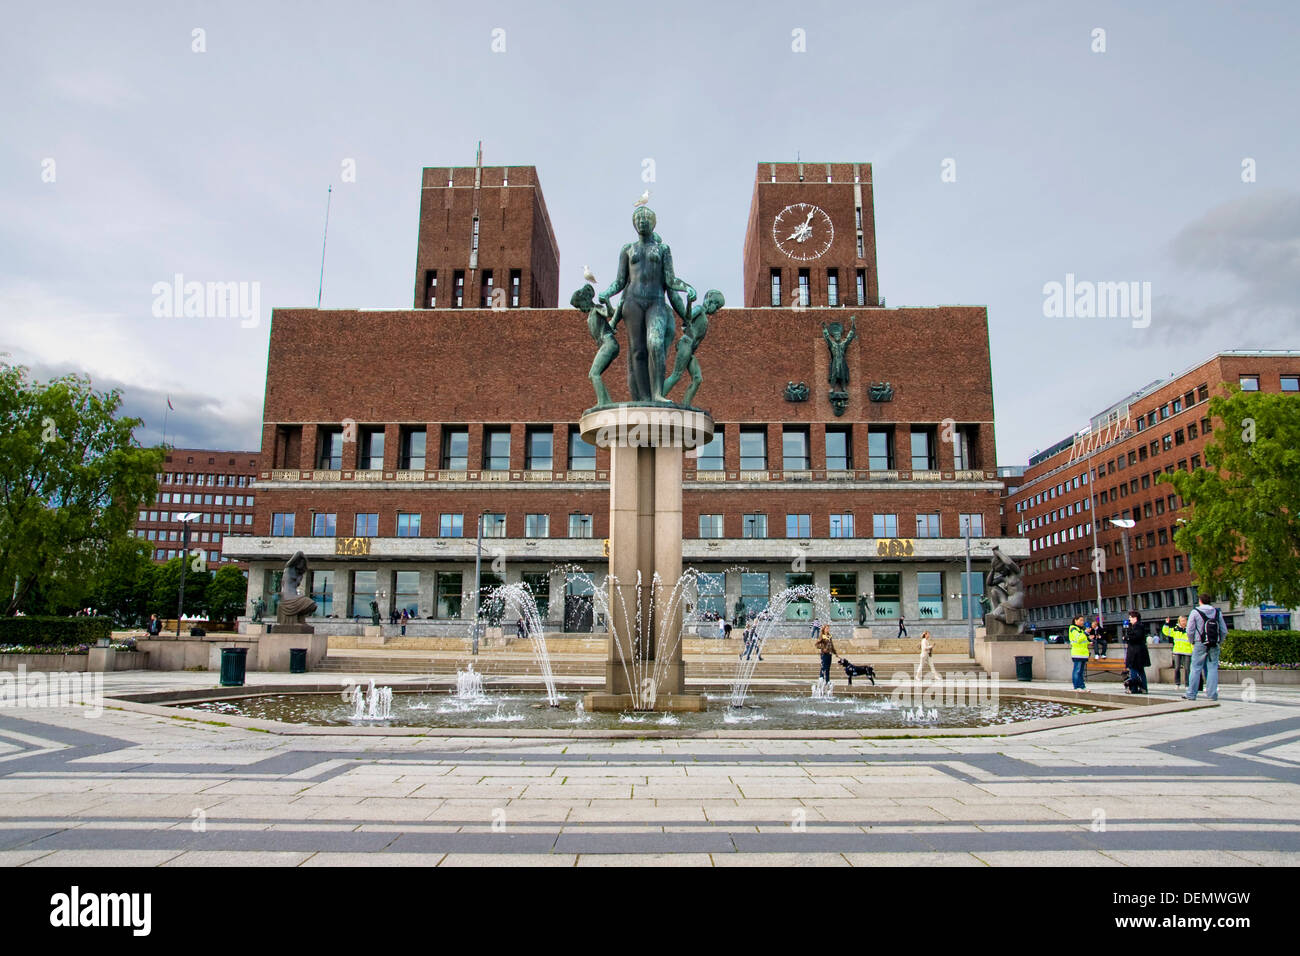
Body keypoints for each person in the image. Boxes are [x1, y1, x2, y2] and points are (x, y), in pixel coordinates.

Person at [1184, 594, 1226, 702]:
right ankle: (1212, 695)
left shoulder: (1195, 612)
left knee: (1195, 668)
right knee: (1212, 668)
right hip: (1214, 643)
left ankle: (1191, 694)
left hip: (1199, 643)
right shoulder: (1217, 612)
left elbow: (1189, 630)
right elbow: (1223, 630)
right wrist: (1219, 641)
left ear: (1200, 601)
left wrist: (1192, 641)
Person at [1123, 611, 1150, 693]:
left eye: (1130, 617)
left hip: (1135, 653)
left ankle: (1133, 688)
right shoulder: (1138, 626)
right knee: (1140, 670)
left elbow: (1136, 637)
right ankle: (1143, 688)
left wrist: (1126, 638)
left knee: (1133, 669)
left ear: (1135, 618)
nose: (1129, 619)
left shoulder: (1137, 626)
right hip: (1139, 651)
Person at [1164, 615, 1192, 688]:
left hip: (1187, 650)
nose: (1183, 622)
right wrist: (1167, 624)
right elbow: (1166, 632)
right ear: (1179, 621)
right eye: (1182, 621)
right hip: (1177, 650)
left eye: (1185, 621)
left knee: (1187, 668)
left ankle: (1187, 684)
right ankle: (1177, 683)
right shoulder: (1175, 629)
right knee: (1177, 668)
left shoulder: (1189, 629)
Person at [1068, 614, 1090, 691]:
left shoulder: (1081, 629)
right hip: (1077, 653)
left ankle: (1082, 686)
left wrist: (1089, 641)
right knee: (1077, 670)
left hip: (1083, 653)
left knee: (1081, 671)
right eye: (1080, 620)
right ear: (1075, 620)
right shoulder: (1073, 629)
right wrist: (1086, 633)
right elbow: (1078, 639)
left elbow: (1083, 641)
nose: (1082, 622)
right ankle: (1076, 686)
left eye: (1083, 620)